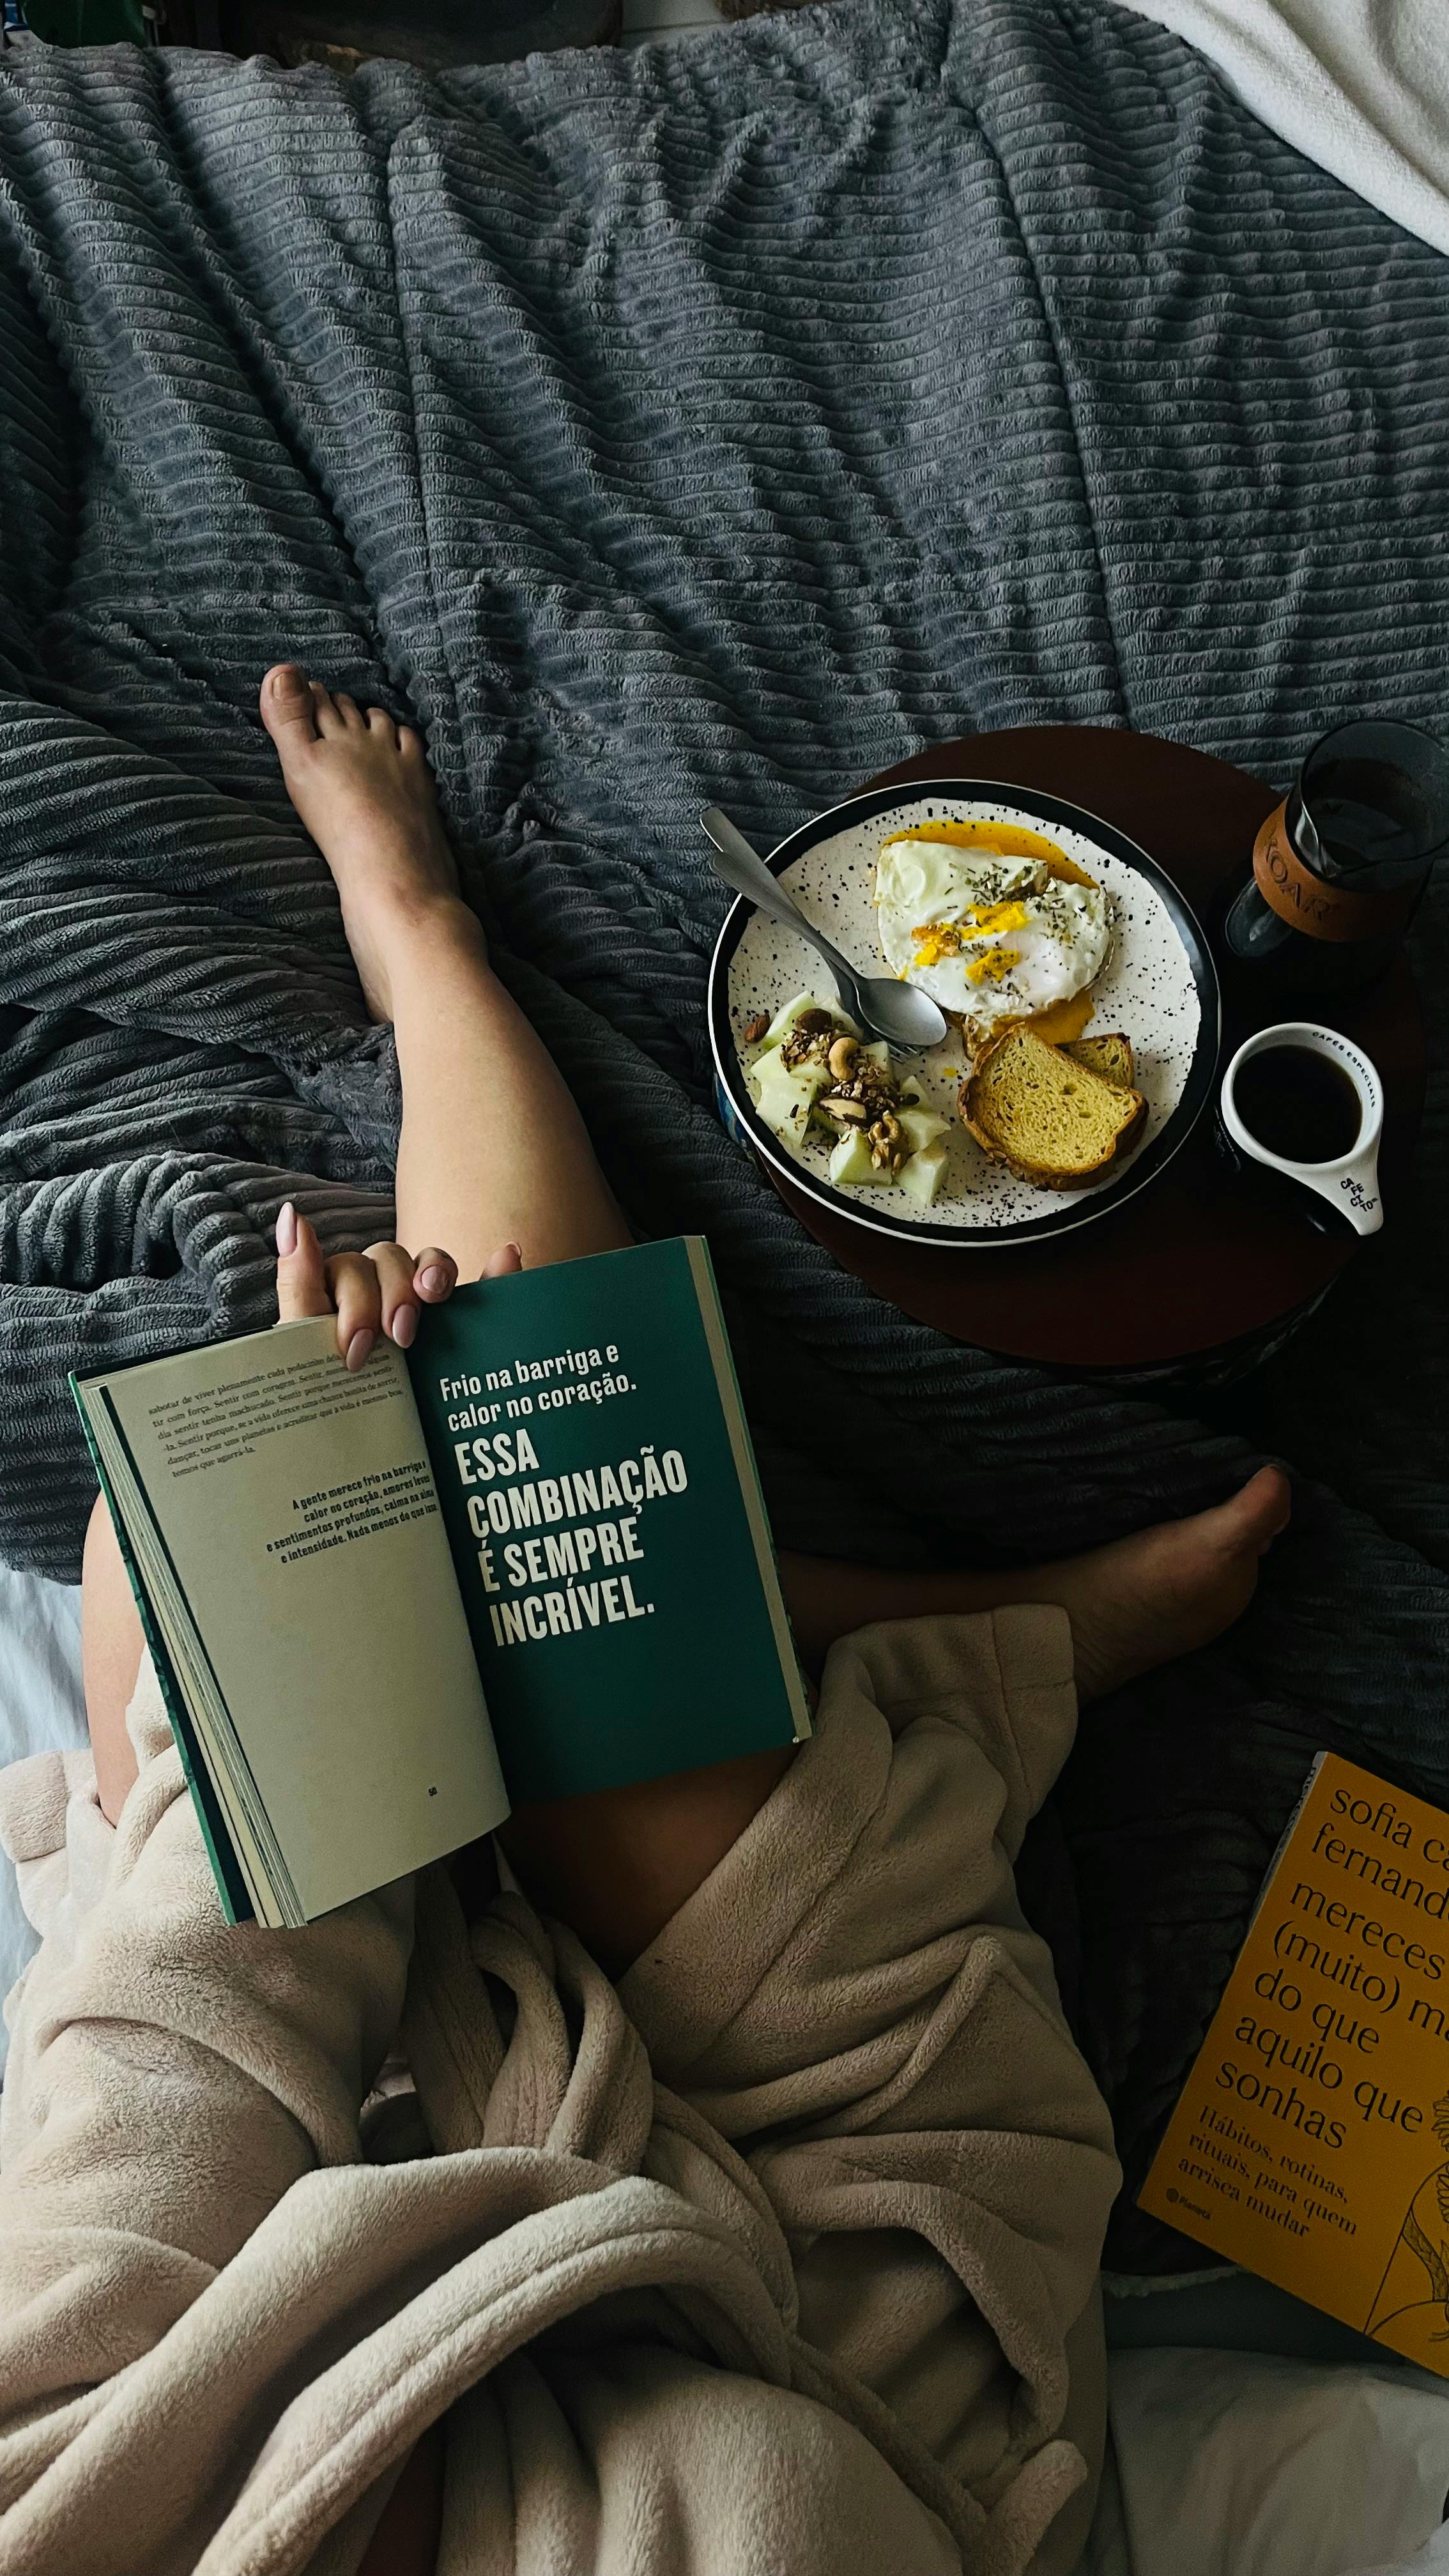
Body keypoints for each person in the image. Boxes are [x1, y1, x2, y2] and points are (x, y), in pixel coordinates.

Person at [0, 666, 1290, 2576]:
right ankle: (956, 1649)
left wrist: (324, 1587)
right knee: (543, 1474)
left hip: (313, 2109)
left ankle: (418, 949)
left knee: (190, 1523)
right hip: (831, 2303)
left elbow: (169, 2066)